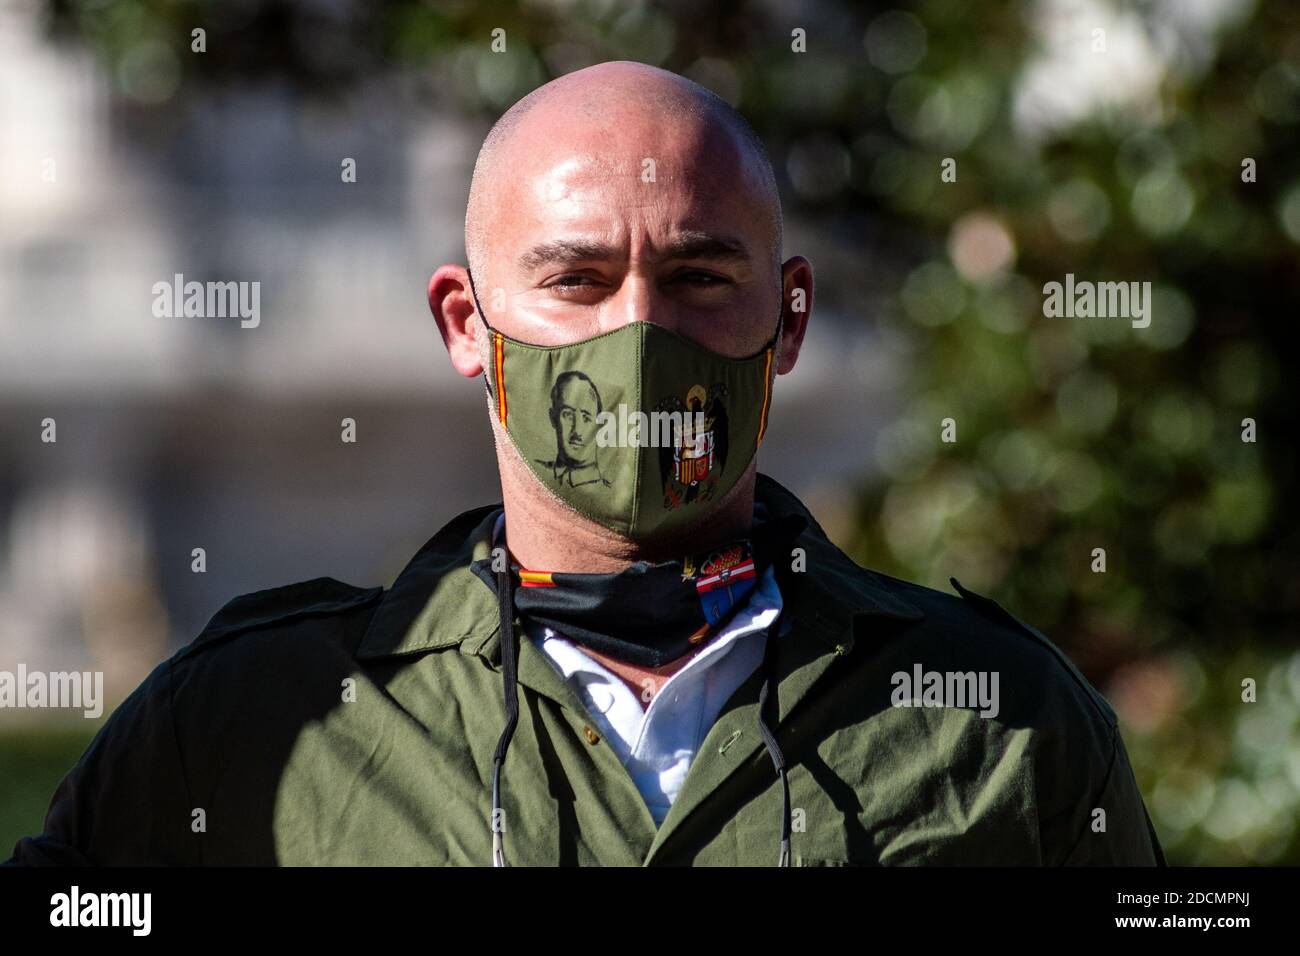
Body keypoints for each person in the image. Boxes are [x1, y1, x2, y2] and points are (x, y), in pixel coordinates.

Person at [5, 61, 1164, 866]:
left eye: (702, 277)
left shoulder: (1005, 720)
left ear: (789, 315)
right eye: (575, 280)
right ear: (466, 322)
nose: (640, 333)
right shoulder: (253, 722)